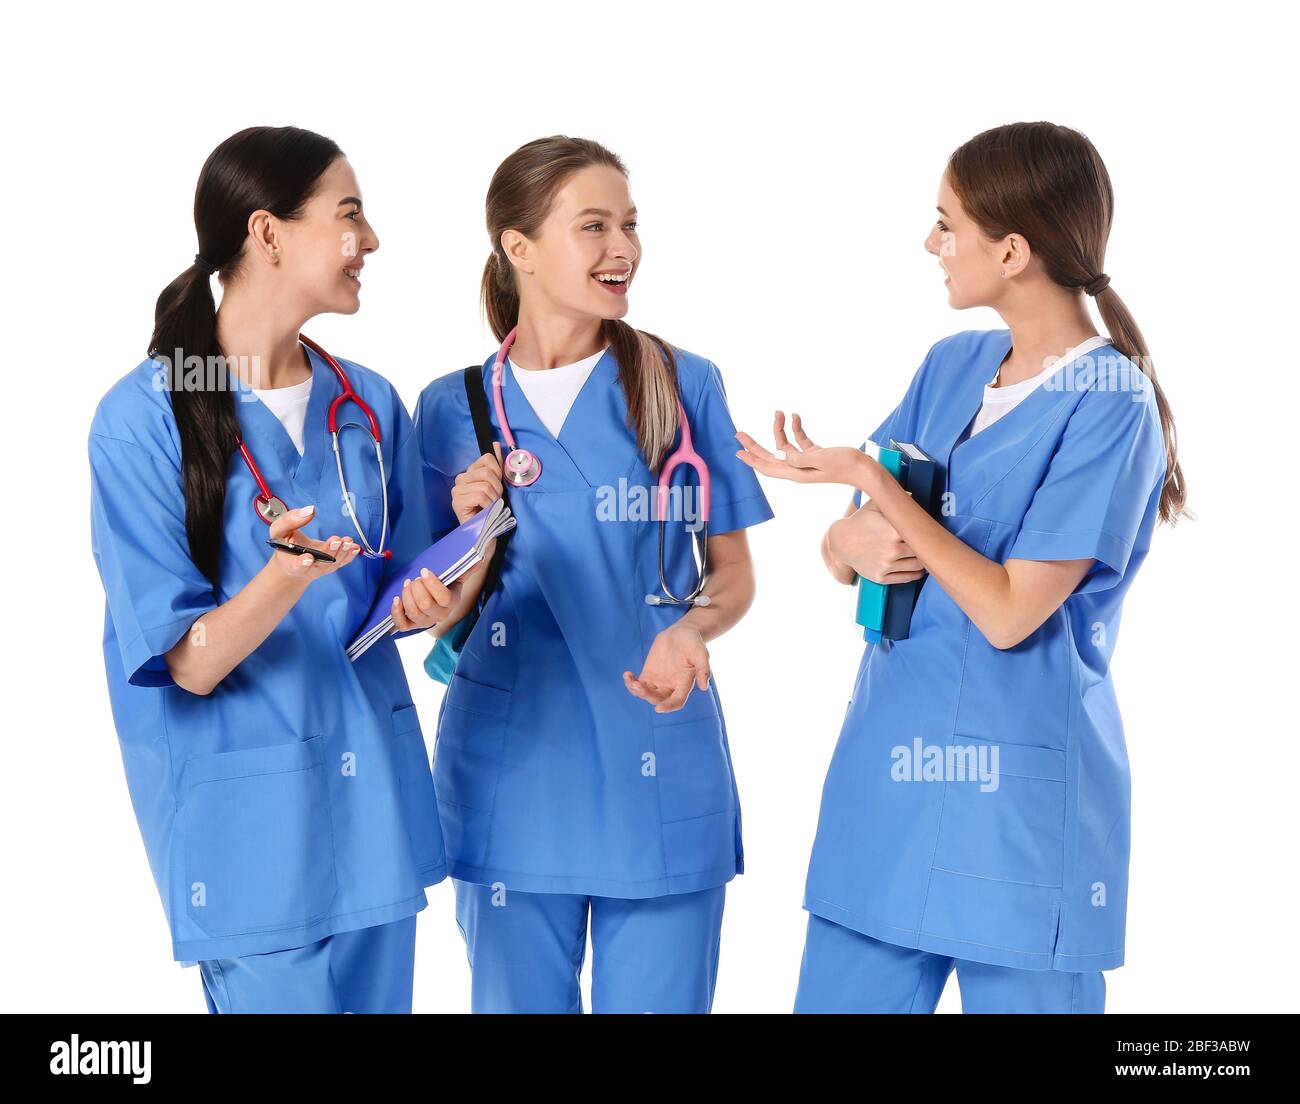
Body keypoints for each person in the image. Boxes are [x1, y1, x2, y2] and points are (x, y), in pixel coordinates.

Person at [736, 122, 1186, 1014]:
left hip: (1014, 816)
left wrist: (869, 483)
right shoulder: (951, 366)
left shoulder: (1111, 404)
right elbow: (859, 544)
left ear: (1012, 250)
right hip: (885, 788)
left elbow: (1014, 610)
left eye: (947, 225)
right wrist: (841, 544)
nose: (931, 245)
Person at [89, 126, 460, 1013]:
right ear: (268, 234)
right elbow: (190, 660)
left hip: (372, 807)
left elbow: (407, 597)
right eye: (349, 215)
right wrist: (286, 574)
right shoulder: (141, 420)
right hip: (245, 830)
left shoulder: (369, 402)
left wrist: (458, 565)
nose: (369, 241)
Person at [415, 136, 773, 1013]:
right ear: (519, 248)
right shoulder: (451, 407)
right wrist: (471, 540)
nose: (624, 250)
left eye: (630, 225)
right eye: (594, 227)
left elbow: (731, 574)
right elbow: (434, 608)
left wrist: (691, 627)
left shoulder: (684, 382)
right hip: (512, 771)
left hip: (660, 755)